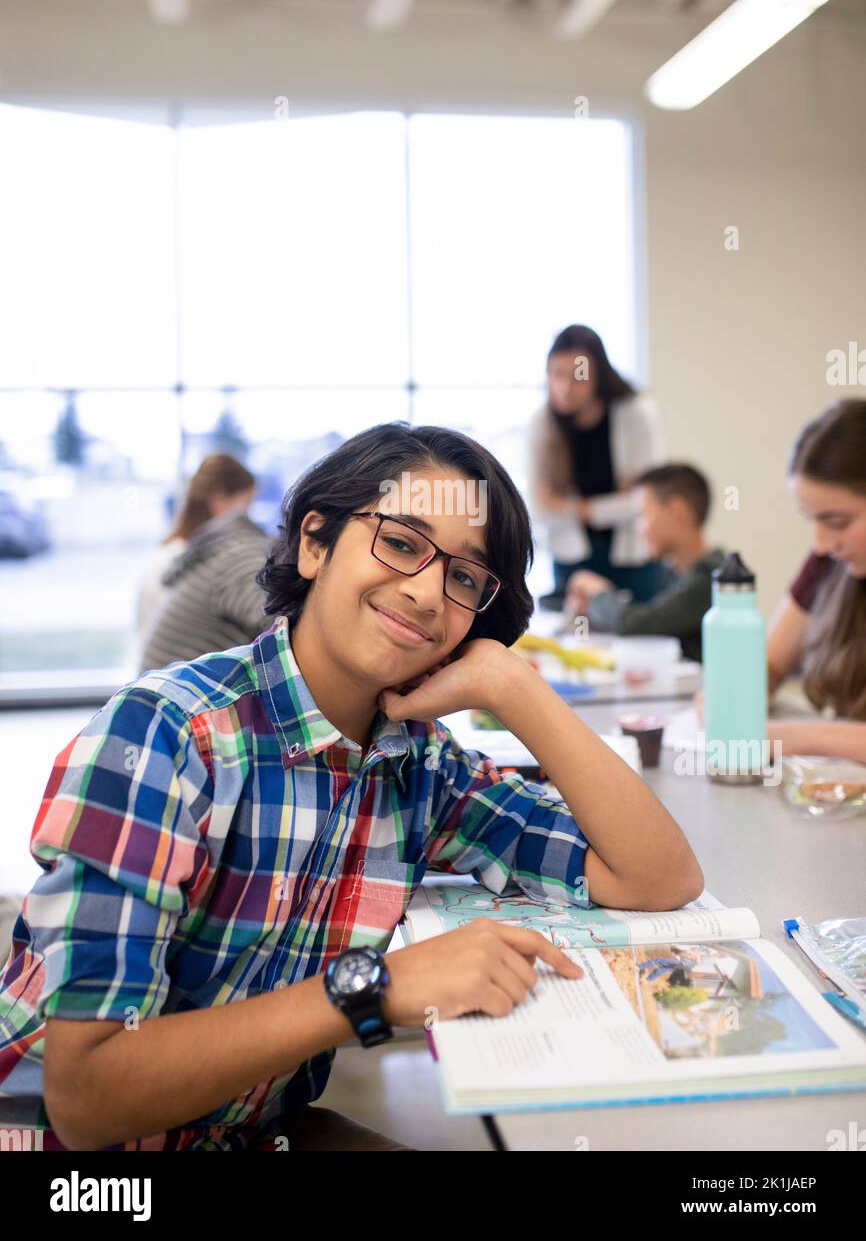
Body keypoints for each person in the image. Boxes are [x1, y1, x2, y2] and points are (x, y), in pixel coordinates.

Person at [0, 422, 702, 1152]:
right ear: (313, 543)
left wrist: (511, 685)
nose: (429, 592)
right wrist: (374, 988)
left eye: (464, 578)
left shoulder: (418, 766)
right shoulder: (166, 734)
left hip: (249, 1130)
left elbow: (659, 873)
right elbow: (86, 1098)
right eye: (401, 542)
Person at [527, 324, 668, 606]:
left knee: (639, 635)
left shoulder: (636, 413)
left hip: (633, 559)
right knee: (577, 641)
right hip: (572, 560)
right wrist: (614, 502)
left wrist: (575, 507)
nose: (565, 388)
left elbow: (644, 502)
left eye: (577, 377)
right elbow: (540, 507)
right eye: (556, 375)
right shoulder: (543, 423)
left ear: (598, 376)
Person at [764, 399, 866, 764]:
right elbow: (770, 666)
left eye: (837, 522)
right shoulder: (829, 562)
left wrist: (784, 737)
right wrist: (730, 701)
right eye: (812, 520)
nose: (821, 543)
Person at [565, 464, 725, 662]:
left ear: (678, 512)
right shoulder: (674, 573)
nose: (639, 529)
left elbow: (639, 625)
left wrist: (599, 594)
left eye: (642, 515)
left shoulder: (713, 579)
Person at [138, 463, 271, 672]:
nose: (249, 516)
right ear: (218, 498)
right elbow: (277, 622)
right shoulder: (232, 557)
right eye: (247, 504)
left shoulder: (188, 553)